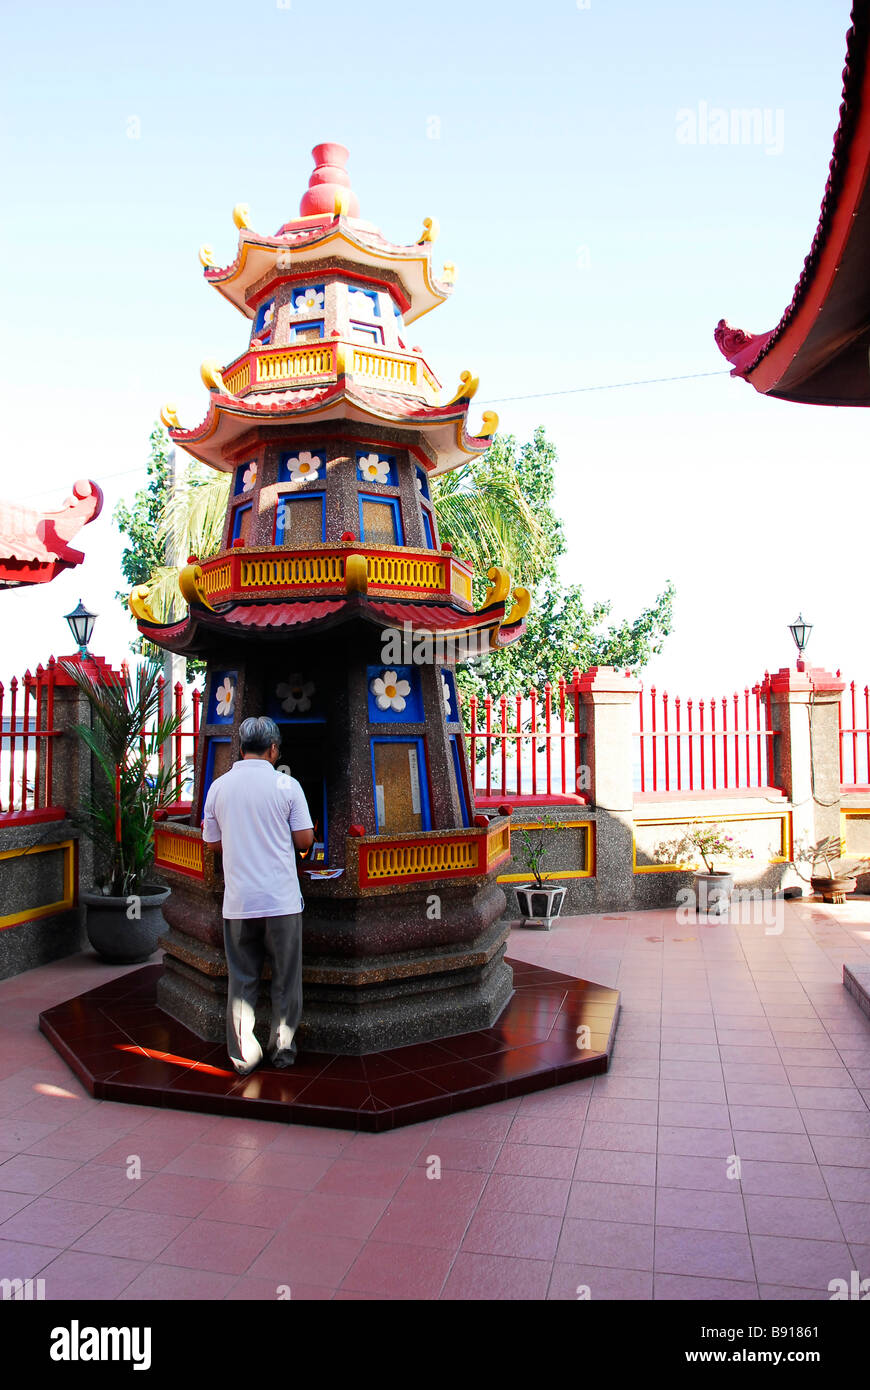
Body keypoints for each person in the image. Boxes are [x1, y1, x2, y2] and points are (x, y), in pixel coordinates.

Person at [202, 715, 314, 1075]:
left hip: (238, 903)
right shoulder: (287, 786)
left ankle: (243, 1057)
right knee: (285, 978)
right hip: (280, 901)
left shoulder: (218, 788)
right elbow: (304, 841)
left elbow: (213, 842)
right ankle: (282, 1050)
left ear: (240, 748)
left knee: (242, 979)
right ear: (273, 749)